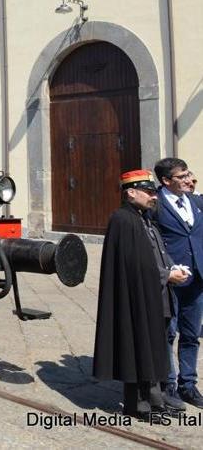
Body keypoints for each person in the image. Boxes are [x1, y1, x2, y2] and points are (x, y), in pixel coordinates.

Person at [93, 170, 189, 419]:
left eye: (152, 191)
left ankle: (156, 398)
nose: (152, 196)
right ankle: (139, 404)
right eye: (147, 192)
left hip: (155, 294)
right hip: (137, 296)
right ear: (131, 192)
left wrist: (172, 269)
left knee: (154, 346)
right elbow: (134, 265)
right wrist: (166, 276)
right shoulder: (122, 220)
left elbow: (157, 252)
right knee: (137, 347)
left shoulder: (144, 218)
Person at [153, 157, 203, 408]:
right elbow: (153, 242)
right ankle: (169, 384)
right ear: (165, 181)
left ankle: (188, 384)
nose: (188, 179)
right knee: (168, 333)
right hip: (171, 280)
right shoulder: (155, 205)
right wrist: (169, 268)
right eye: (181, 176)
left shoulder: (195, 201)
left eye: (188, 174)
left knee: (192, 334)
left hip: (197, 279)